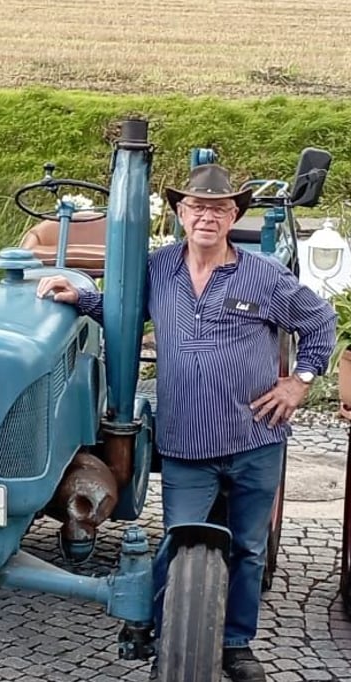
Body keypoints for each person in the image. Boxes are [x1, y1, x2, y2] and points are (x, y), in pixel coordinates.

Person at [35, 164, 336, 681]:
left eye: (219, 209)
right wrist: (81, 298)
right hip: (186, 441)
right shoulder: (158, 268)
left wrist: (299, 381)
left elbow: (320, 321)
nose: (207, 217)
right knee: (178, 540)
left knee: (247, 546)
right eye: (197, 207)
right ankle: (161, 629)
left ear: (233, 215)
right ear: (179, 213)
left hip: (254, 440)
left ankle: (236, 643)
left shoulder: (262, 274)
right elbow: (123, 312)